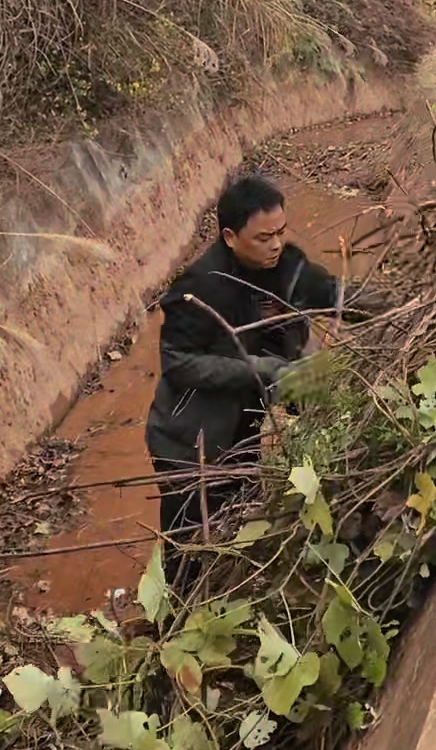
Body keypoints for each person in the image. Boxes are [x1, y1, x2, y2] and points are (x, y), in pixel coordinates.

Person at [146, 172, 383, 580]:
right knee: (188, 541)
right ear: (230, 236)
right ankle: (176, 616)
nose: (275, 244)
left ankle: (225, 593)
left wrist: (412, 301)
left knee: (240, 523)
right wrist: (266, 370)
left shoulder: (286, 268)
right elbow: (179, 363)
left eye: (280, 232)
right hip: (190, 441)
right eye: (262, 237)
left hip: (242, 431)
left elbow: (339, 296)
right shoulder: (199, 287)